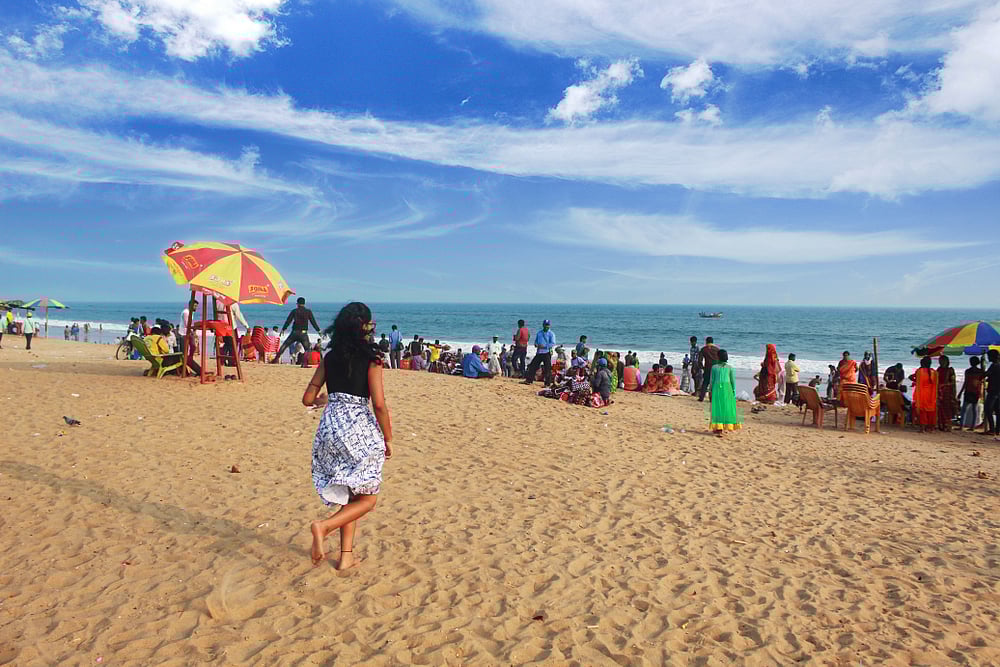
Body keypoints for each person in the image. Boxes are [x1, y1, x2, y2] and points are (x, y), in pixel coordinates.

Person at [304, 302, 392, 570]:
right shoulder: (373, 359)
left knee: (350, 495)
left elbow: (308, 398)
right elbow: (379, 404)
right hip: (358, 428)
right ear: (365, 326)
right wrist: (388, 438)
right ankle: (324, 527)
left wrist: (324, 401)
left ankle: (346, 556)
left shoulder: (330, 357)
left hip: (330, 428)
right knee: (368, 498)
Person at [272, 298, 322, 364]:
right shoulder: (308, 311)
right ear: (304, 304)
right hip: (303, 334)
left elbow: (288, 321)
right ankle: (310, 361)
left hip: (294, 333)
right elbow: (313, 322)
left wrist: (283, 329)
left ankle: (276, 359)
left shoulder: (294, 311)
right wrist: (318, 330)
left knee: (285, 345)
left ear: (297, 304)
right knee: (307, 349)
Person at [708, 349, 742, 436]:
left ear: (718, 357)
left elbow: (711, 380)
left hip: (717, 388)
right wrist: (733, 391)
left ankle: (718, 428)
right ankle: (724, 426)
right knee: (726, 407)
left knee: (717, 407)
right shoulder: (730, 368)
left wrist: (710, 390)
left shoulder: (714, 367)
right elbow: (732, 381)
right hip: (727, 389)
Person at [522, 319, 555, 385]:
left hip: (546, 352)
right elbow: (536, 341)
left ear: (549, 325)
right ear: (543, 325)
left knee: (547, 368)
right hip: (539, 352)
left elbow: (553, 343)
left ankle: (547, 383)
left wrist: (544, 346)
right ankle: (529, 380)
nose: (546, 326)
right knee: (532, 366)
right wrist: (536, 344)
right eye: (545, 325)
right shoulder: (539, 333)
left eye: (547, 325)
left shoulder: (551, 334)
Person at [959, 357, 985, 431]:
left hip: (969, 391)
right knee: (974, 410)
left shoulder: (968, 371)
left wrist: (960, 392)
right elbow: (982, 380)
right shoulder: (980, 371)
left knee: (964, 410)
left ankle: (961, 426)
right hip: (976, 391)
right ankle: (972, 427)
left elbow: (965, 382)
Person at [913, 356, 938, 433]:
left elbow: (918, 382)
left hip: (922, 393)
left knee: (922, 411)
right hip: (931, 394)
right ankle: (931, 428)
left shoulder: (920, 371)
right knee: (931, 411)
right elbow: (935, 385)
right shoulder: (934, 372)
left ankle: (922, 428)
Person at [936, 356, 957, 432]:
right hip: (940, 391)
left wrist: (944, 385)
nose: (941, 362)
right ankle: (941, 424)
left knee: (947, 408)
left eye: (942, 361)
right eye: (940, 361)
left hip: (947, 392)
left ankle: (948, 426)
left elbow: (953, 382)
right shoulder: (939, 369)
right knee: (940, 408)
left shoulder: (950, 370)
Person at [697, 337, 718, 402]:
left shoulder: (703, 349)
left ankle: (701, 397)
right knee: (714, 384)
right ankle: (712, 398)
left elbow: (699, 360)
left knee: (705, 383)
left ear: (706, 342)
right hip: (716, 369)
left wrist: (702, 367)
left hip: (707, 368)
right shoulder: (717, 349)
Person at [985, 349, 1000, 438]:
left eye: (989, 356)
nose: (988, 358)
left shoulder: (994, 366)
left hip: (993, 391)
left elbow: (986, 374)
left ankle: (992, 429)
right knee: (997, 411)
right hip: (998, 391)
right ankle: (997, 429)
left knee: (988, 409)